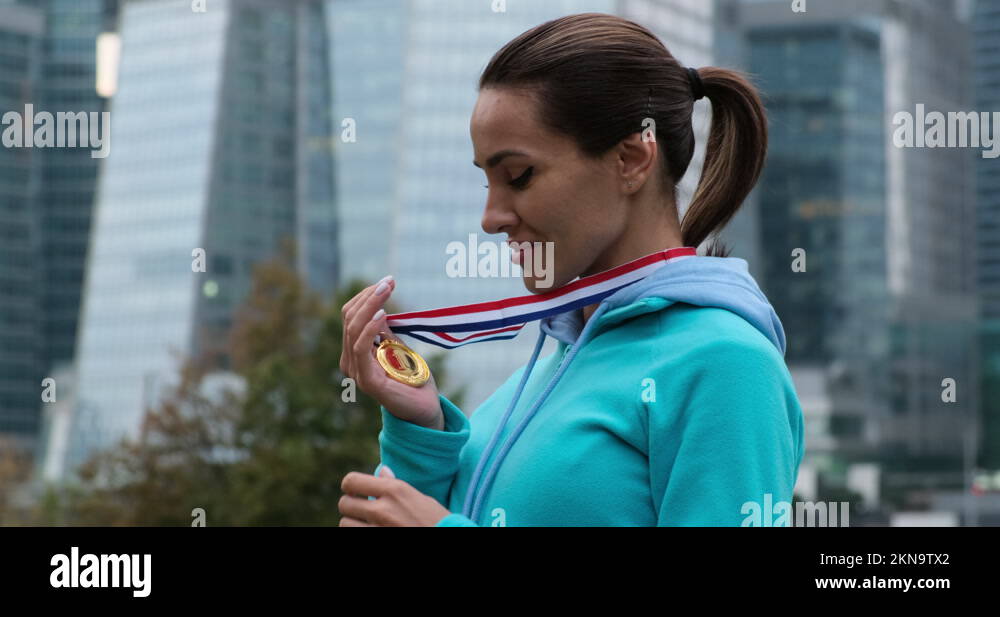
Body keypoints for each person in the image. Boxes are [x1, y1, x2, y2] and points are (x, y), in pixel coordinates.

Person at [338, 13, 804, 527]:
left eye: (519, 176)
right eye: (487, 182)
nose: (491, 218)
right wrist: (419, 427)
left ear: (631, 159)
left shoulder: (725, 363)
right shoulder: (541, 373)